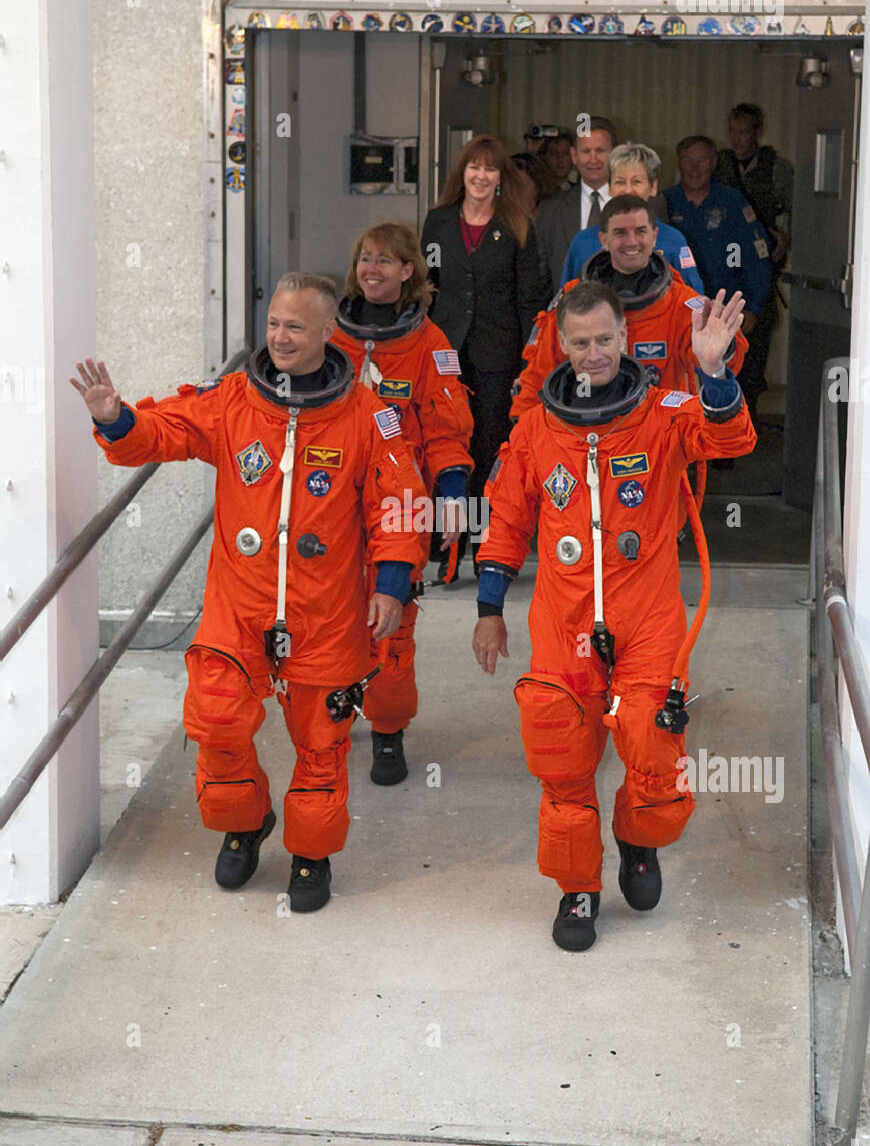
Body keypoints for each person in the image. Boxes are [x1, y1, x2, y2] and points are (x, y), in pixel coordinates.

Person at [70, 274, 424, 912]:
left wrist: (393, 585)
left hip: (327, 612)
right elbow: (162, 431)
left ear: (325, 334)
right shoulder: (234, 400)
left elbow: (401, 505)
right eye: (274, 324)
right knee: (216, 720)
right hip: (241, 605)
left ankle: (312, 856)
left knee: (322, 743)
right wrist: (113, 417)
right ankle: (245, 820)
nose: (280, 337)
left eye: (295, 327)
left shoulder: (372, 417)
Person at [472, 280, 756, 951]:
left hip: (647, 618)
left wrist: (713, 370)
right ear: (561, 345)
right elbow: (509, 518)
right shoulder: (537, 429)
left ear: (625, 339)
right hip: (563, 622)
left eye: (605, 339)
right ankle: (578, 889)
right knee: (561, 759)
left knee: (653, 747)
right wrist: (489, 608)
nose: (593, 353)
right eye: (580, 342)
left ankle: (637, 840)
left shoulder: (664, 414)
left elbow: (730, 439)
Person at [330, 223, 474, 784]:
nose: (373, 270)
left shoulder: (432, 346)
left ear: (409, 271)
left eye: (386, 262)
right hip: (332, 500)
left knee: (391, 626)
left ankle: (387, 732)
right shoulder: (328, 333)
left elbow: (446, 431)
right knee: (330, 621)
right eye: (366, 259)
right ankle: (331, 719)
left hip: (399, 500)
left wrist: (455, 492)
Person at [421, 134, 543, 577]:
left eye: (490, 168)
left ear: (500, 178)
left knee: (490, 448)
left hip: (498, 353)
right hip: (446, 352)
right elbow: (425, 288)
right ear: (463, 173)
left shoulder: (517, 226)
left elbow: (531, 299)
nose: (481, 175)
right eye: (474, 166)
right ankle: (446, 548)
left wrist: (530, 362)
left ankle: (485, 547)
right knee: (448, 443)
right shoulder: (437, 222)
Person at [512, 195, 747, 419]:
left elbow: (722, 367)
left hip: (659, 438)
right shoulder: (572, 300)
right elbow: (537, 377)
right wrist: (522, 433)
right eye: (621, 233)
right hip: (585, 434)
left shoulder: (681, 304)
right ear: (604, 240)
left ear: (654, 237)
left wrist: (724, 350)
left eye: (640, 231)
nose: (632, 241)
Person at [665, 135, 773, 421]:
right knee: (683, 382)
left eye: (702, 160)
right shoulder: (664, 203)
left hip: (727, 311)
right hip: (681, 313)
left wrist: (755, 307)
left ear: (713, 163)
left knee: (730, 377)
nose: (695, 168)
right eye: (688, 160)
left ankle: (725, 447)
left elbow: (757, 258)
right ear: (679, 163)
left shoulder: (733, 202)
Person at [714, 104, 793, 416]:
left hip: (759, 266)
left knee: (756, 345)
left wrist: (785, 237)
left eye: (743, 131)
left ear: (757, 132)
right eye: (733, 130)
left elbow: (796, 211)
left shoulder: (777, 168)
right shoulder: (719, 164)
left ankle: (749, 414)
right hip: (721, 265)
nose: (737, 138)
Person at [561, 143, 704, 294]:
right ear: (609, 188)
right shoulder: (583, 241)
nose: (628, 190)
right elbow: (565, 300)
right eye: (620, 182)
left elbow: (693, 300)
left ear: (653, 187)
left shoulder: (673, 240)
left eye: (636, 182)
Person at [535, 116, 617, 297]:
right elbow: (539, 279)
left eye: (601, 151)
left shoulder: (640, 206)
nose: (593, 159)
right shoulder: (550, 210)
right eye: (586, 151)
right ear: (574, 155)